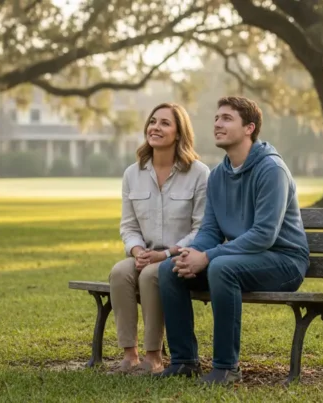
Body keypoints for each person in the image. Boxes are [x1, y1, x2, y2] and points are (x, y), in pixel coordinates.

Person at [157, 96, 310, 384]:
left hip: (284, 262)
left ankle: (226, 368)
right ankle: (184, 361)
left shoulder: (271, 170)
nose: (217, 123)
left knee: (221, 268)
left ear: (249, 128)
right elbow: (211, 231)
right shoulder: (218, 175)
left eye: (227, 118)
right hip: (241, 260)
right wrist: (192, 253)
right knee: (170, 269)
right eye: (216, 118)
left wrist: (209, 257)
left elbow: (265, 235)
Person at [109, 102, 210, 375]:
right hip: (146, 254)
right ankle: (130, 355)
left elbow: (202, 229)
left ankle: (153, 357)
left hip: (179, 257)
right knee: (120, 272)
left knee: (151, 274)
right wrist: (137, 250)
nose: (155, 127)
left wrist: (166, 255)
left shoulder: (199, 173)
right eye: (153, 121)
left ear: (179, 133)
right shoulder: (133, 173)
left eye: (165, 123)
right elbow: (128, 226)